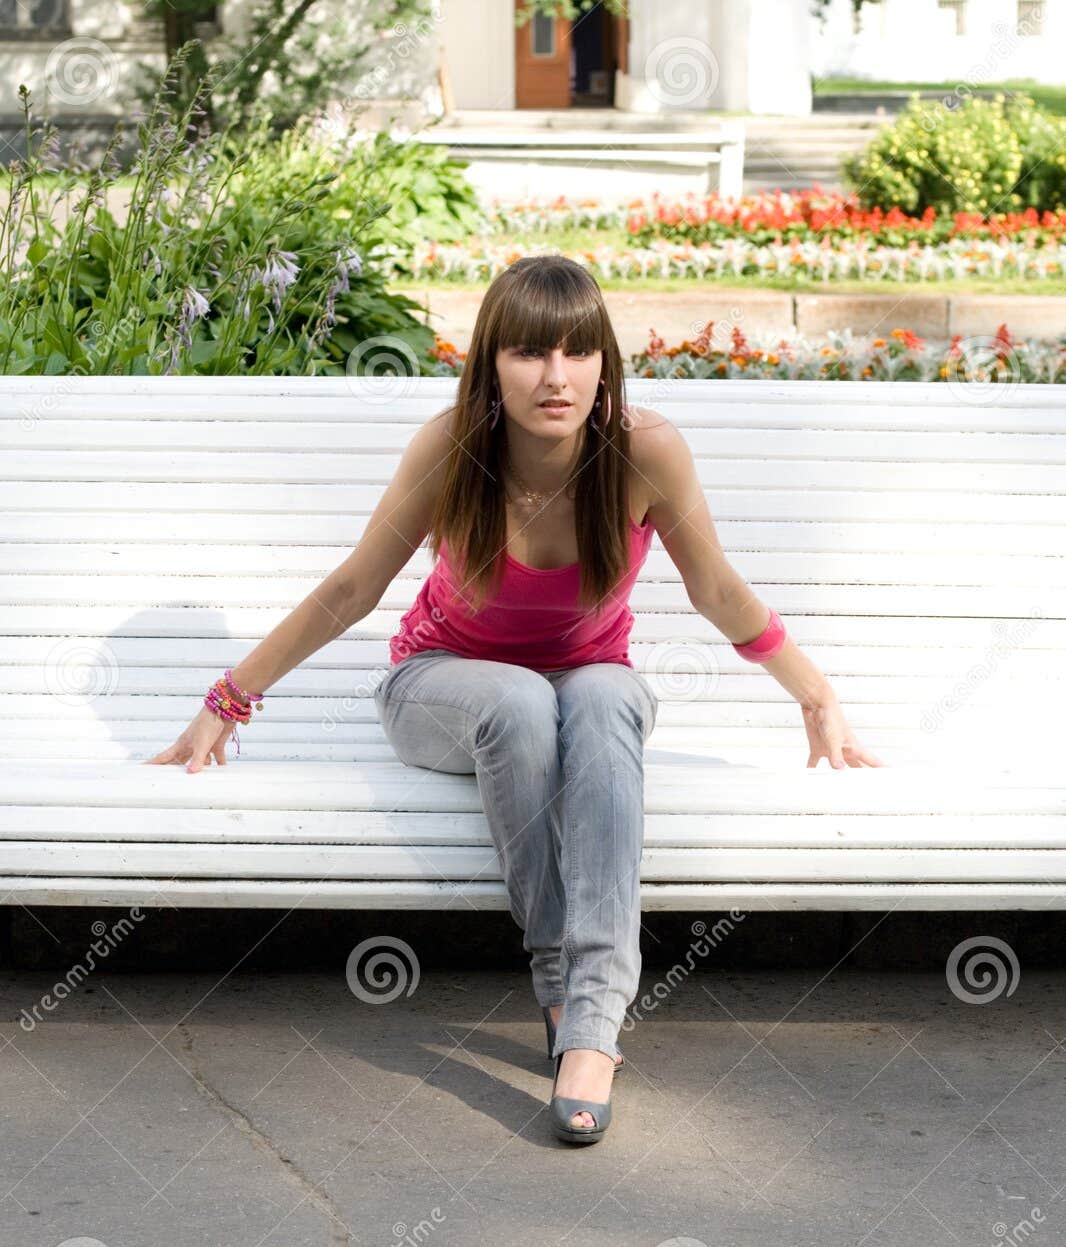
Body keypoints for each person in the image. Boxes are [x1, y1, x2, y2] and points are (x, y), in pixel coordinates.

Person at [147, 253, 881, 1147]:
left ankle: (593, 1023)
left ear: (606, 361)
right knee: (522, 703)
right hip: (441, 686)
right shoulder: (452, 451)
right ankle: (560, 979)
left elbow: (716, 590)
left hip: (583, 689)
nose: (557, 377)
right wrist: (228, 698)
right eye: (531, 353)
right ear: (492, 362)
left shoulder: (644, 453)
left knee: (607, 698)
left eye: (578, 353)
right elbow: (352, 588)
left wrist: (812, 690)